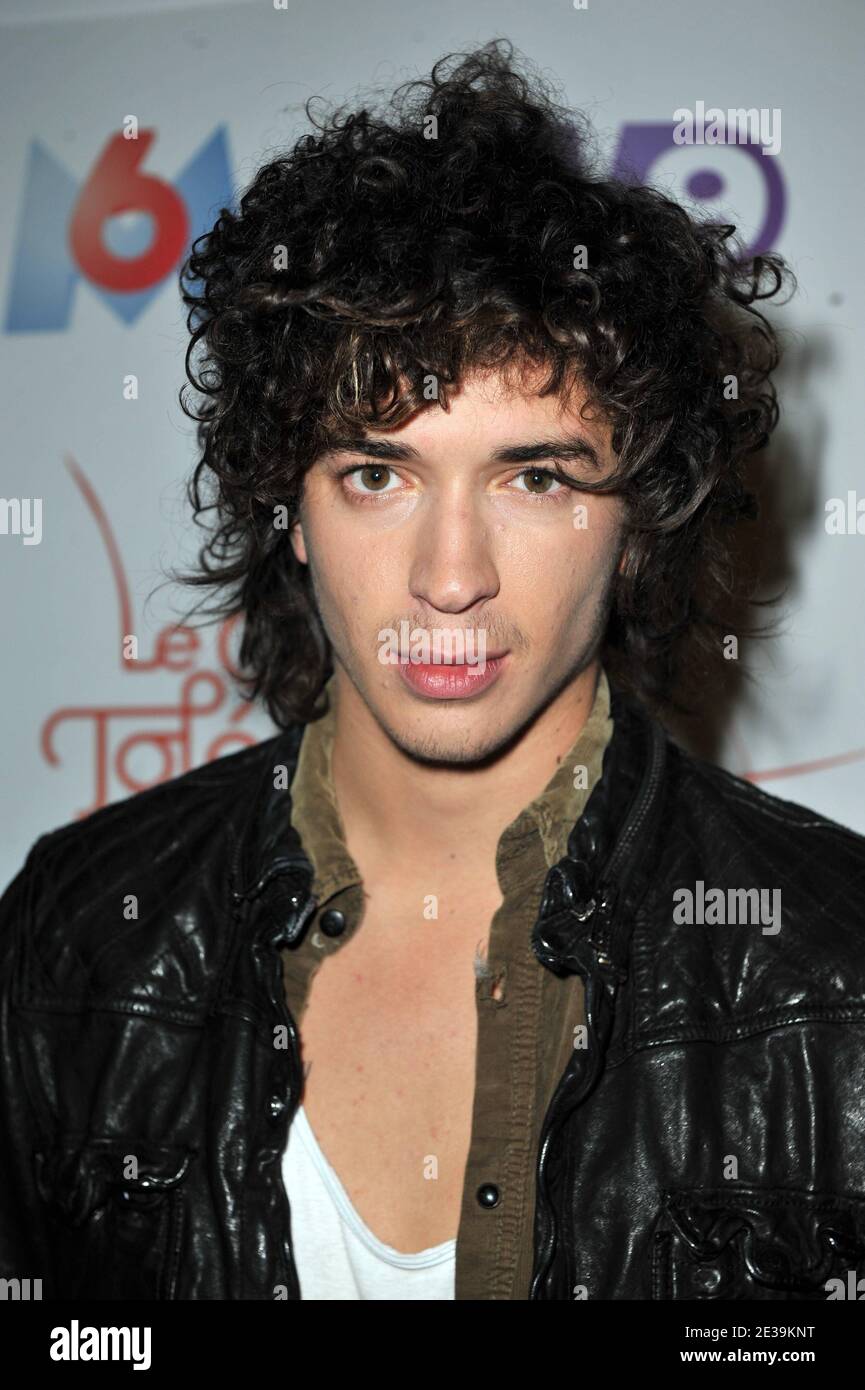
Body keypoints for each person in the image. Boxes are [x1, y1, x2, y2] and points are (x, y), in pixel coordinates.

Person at [2, 40, 865, 1303]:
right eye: (376, 474)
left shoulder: (834, 976)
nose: (448, 575)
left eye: (534, 478)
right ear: (285, 510)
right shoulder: (78, 940)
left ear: (636, 523)